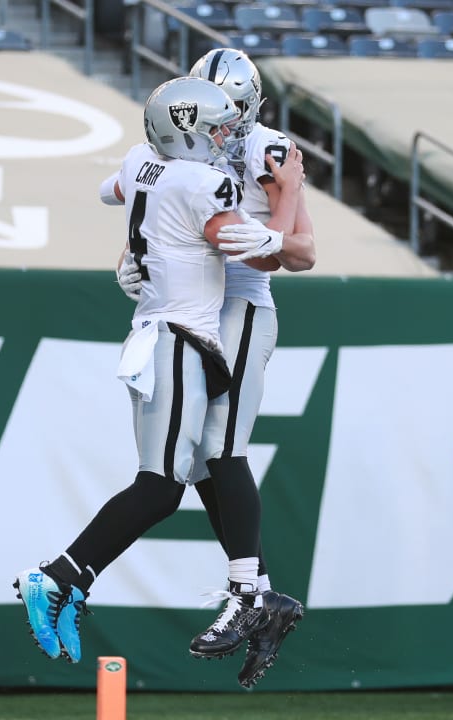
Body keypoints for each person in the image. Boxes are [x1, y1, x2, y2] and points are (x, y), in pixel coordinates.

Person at [15, 77, 295, 673]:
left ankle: (73, 579)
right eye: (214, 128)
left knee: (182, 475)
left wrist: (137, 251)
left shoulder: (141, 159)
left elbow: (109, 190)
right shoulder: (203, 181)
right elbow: (266, 254)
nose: (224, 138)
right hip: (176, 337)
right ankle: (56, 577)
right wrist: (285, 204)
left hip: (170, 337)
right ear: (185, 130)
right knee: (162, 483)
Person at [102, 47, 317, 688]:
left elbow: (303, 252)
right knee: (192, 463)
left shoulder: (265, 150)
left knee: (222, 449)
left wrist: (271, 229)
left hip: (240, 308)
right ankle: (263, 596)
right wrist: (137, 258)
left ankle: (247, 596)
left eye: (229, 117)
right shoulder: (176, 151)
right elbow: (139, 202)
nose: (220, 127)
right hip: (190, 312)